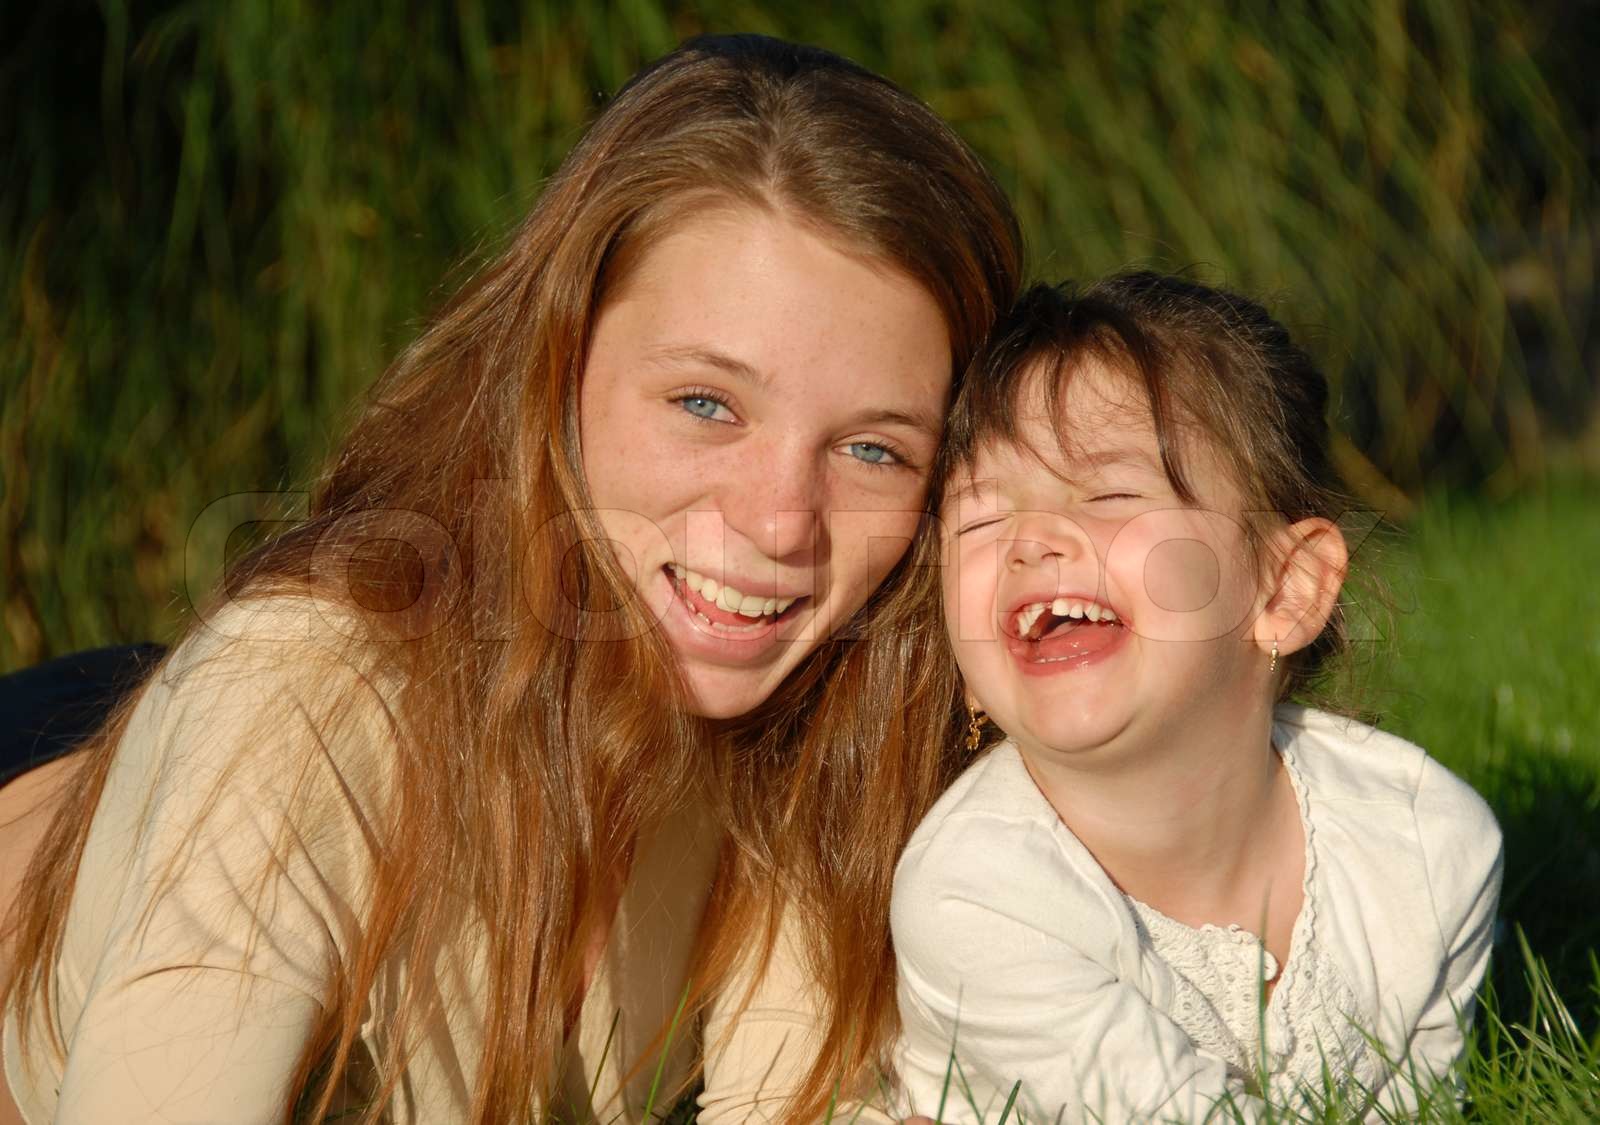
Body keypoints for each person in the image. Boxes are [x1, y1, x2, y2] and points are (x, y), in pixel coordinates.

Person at [0, 34, 1022, 1125]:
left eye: (873, 450)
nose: (779, 523)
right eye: (705, 404)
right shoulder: (299, 700)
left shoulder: (829, 727)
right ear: (555, 363)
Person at [889, 276, 1504, 1123]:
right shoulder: (974, 893)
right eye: (981, 521)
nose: (1031, 541)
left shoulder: (1428, 849)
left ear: (1285, 589)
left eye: (1107, 494)